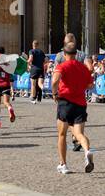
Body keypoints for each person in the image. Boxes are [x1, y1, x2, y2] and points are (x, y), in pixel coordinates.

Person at [51, 39, 94, 174]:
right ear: (76, 54)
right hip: (80, 104)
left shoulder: (62, 66)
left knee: (62, 134)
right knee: (79, 134)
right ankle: (87, 151)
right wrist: (80, 85)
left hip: (65, 102)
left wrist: (54, 93)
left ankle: (63, 164)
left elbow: (55, 81)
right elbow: (91, 85)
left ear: (64, 54)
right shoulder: (83, 68)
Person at [0, 47, 15, 128]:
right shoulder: (8, 61)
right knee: (6, 102)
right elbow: (12, 71)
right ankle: (9, 108)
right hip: (6, 84)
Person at [28, 39, 46, 104]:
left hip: (34, 69)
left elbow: (31, 58)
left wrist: (27, 62)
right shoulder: (41, 52)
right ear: (38, 45)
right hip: (41, 69)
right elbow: (46, 60)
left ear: (33, 45)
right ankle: (43, 88)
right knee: (40, 83)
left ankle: (33, 99)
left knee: (33, 85)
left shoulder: (31, 51)